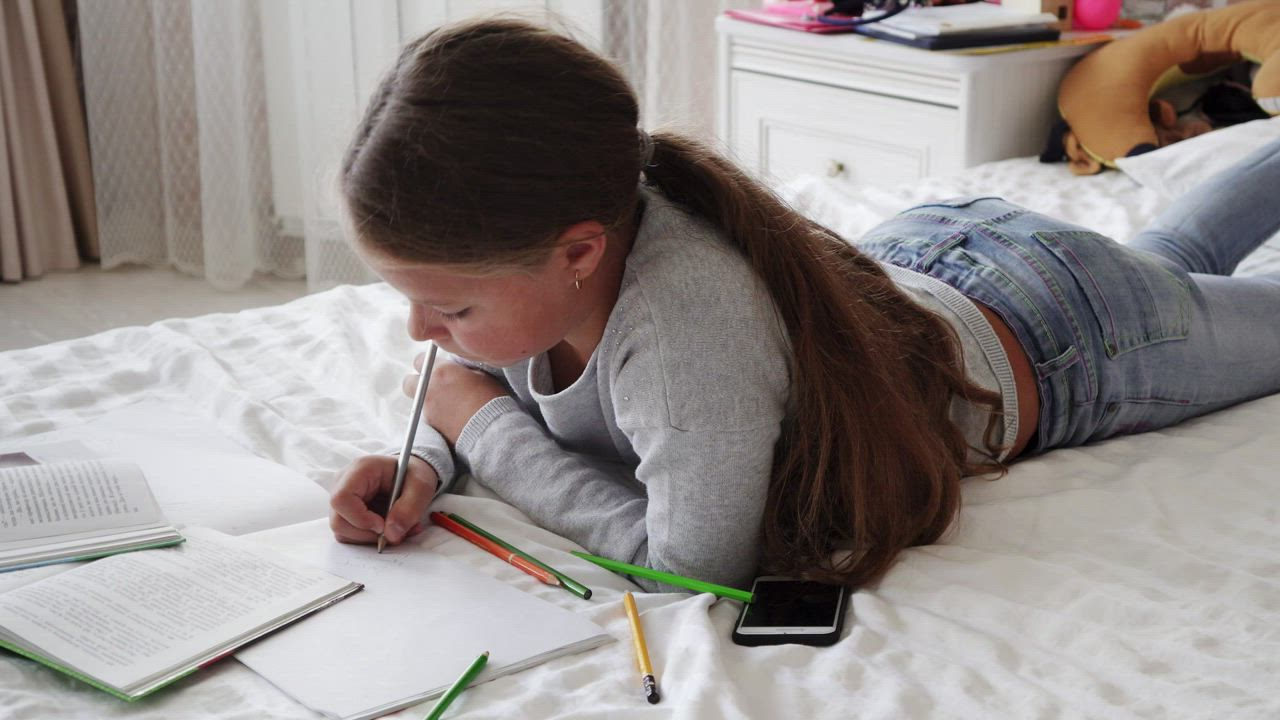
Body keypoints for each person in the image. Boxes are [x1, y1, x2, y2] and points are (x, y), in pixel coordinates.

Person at [328, 17, 1280, 591]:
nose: (422, 335)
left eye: (449, 312)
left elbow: (693, 565)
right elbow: (470, 377)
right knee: (1173, 257)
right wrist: (424, 455)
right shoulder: (573, 233)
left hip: (1066, 335)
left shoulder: (683, 329)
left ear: (578, 251)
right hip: (941, 263)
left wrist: (483, 426)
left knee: (1185, 283)